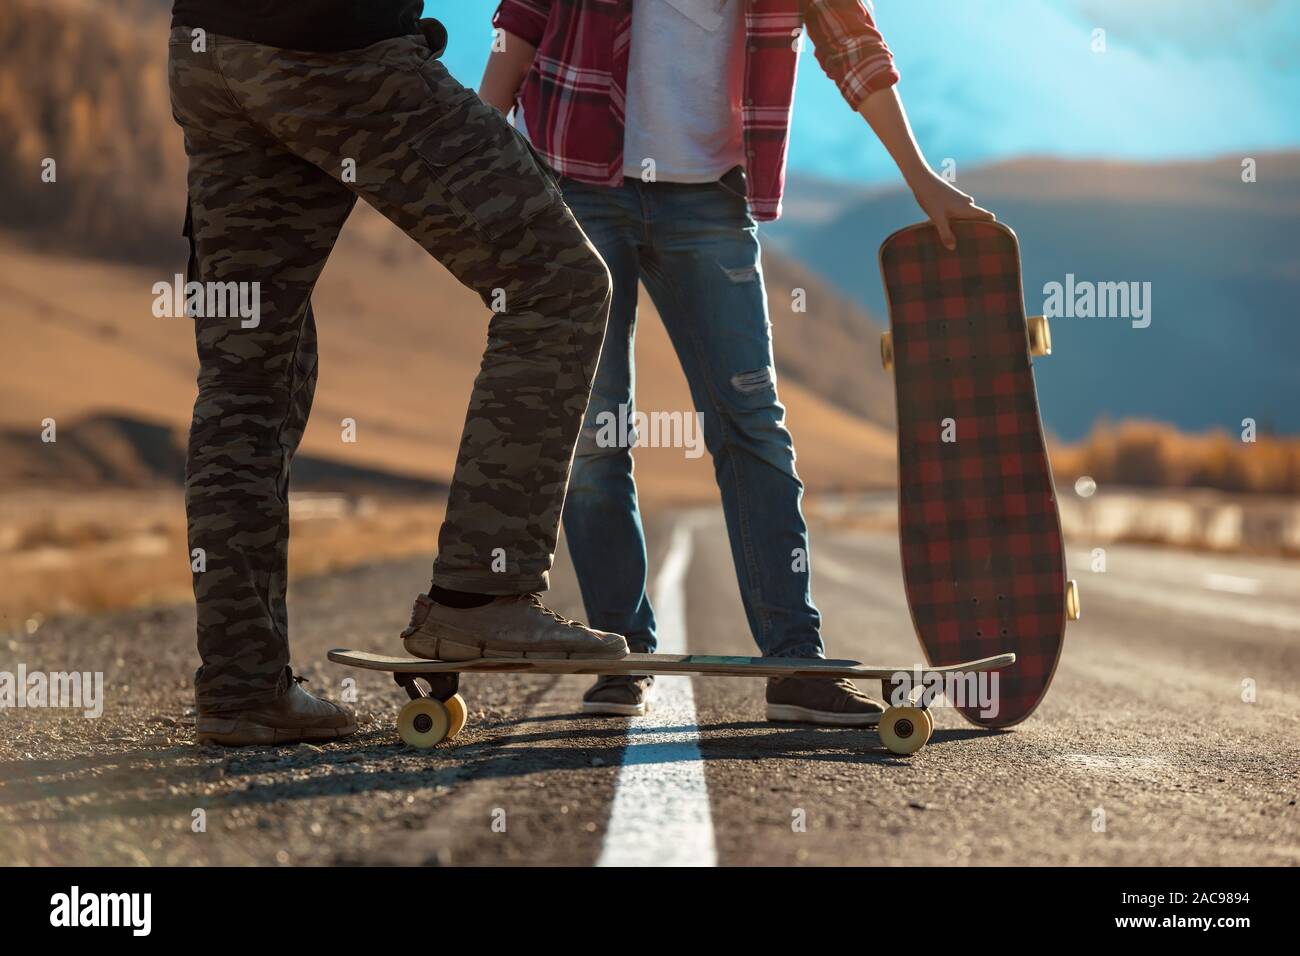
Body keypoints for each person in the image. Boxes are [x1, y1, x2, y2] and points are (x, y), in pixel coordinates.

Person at [480, 0, 994, 721]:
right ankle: (620, 652)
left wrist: (920, 178)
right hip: (578, 183)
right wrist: (480, 167)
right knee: (595, 435)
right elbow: (523, 19)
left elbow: (853, 46)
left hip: (709, 202)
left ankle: (794, 662)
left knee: (752, 426)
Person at [169, 1, 628, 747]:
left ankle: (243, 685)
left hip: (210, 50)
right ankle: (482, 592)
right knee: (559, 284)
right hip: (338, 51)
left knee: (246, 378)